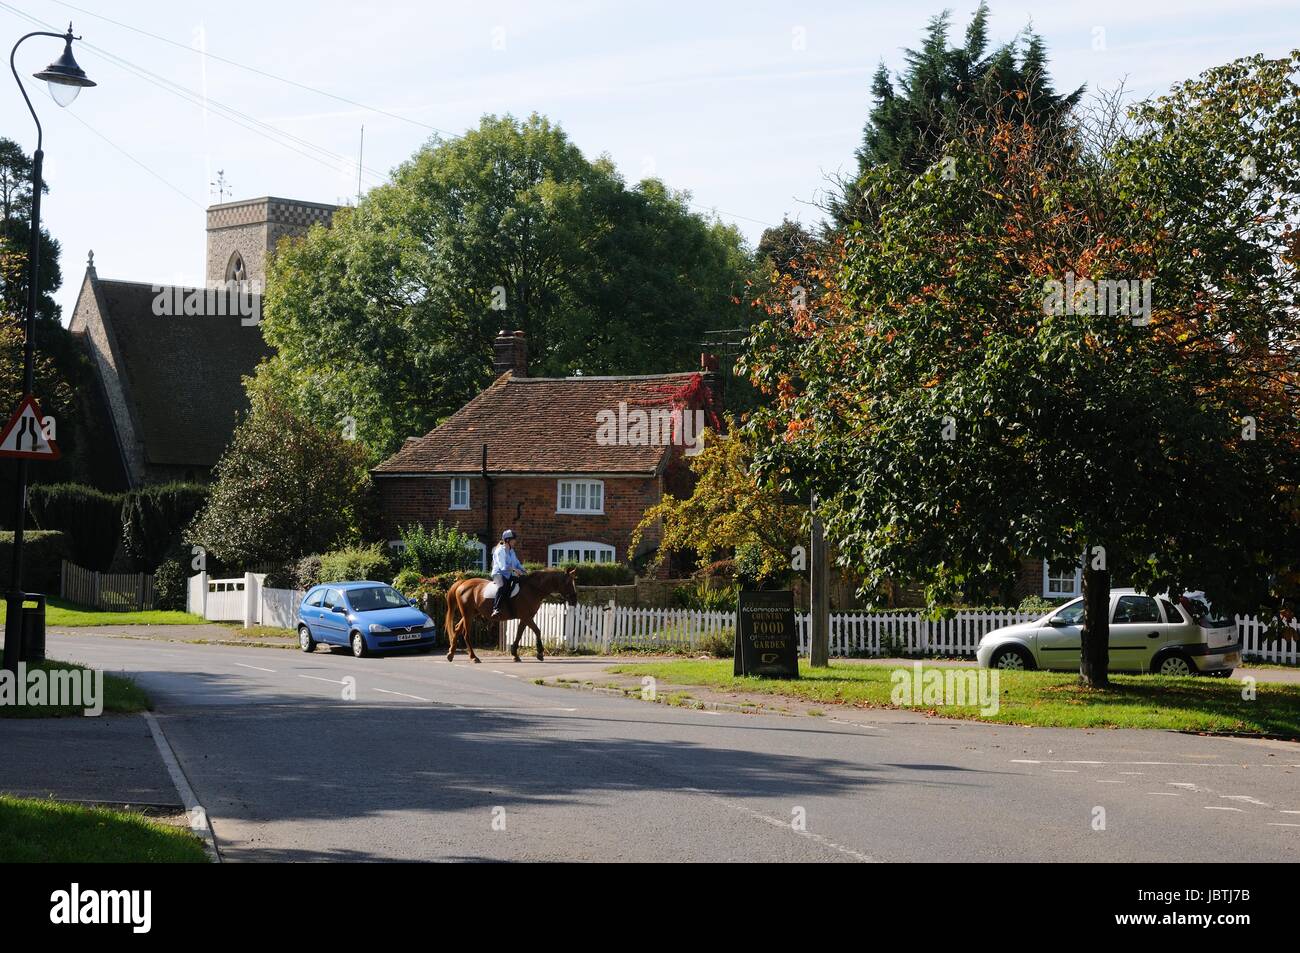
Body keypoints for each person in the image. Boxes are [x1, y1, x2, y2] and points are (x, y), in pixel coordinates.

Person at [490, 529, 525, 617]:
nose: (515, 542)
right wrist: (514, 570)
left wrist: (524, 570)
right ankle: (496, 608)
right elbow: (502, 566)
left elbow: (517, 563)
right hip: (498, 574)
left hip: (508, 574)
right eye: (514, 540)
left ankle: (510, 604)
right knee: (503, 586)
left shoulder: (512, 551)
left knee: (520, 581)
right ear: (507, 540)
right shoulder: (499, 551)